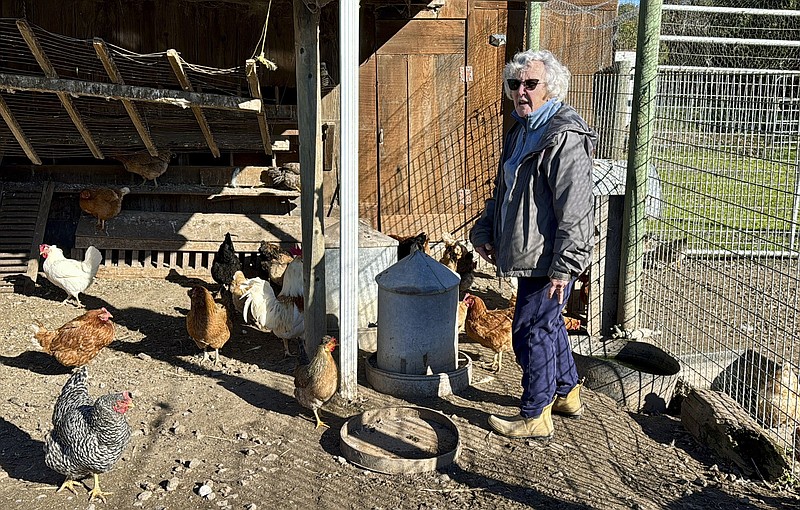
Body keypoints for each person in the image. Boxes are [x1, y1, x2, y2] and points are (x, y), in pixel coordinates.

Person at [469, 49, 596, 439]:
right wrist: (485, 228)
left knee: (529, 331)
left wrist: (566, 264)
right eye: (515, 84)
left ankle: (535, 414)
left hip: (550, 256)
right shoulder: (522, 131)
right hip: (528, 251)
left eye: (530, 84)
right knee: (548, 324)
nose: (521, 91)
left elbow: (575, 206)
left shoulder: (563, 138)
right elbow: (503, 189)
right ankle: (567, 391)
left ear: (551, 89)